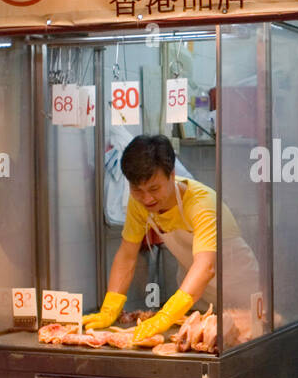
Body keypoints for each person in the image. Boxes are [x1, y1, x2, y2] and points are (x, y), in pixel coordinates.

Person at [84, 134, 260, 344]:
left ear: (172, 175)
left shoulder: (202, 203)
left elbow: (206, 267)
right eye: (137, 190)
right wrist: (110, 308)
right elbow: (126, 256)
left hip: (242, 295)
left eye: (154, 189)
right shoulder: (139, 204)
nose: (146, 198)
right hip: (198, 298)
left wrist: (166, 315)